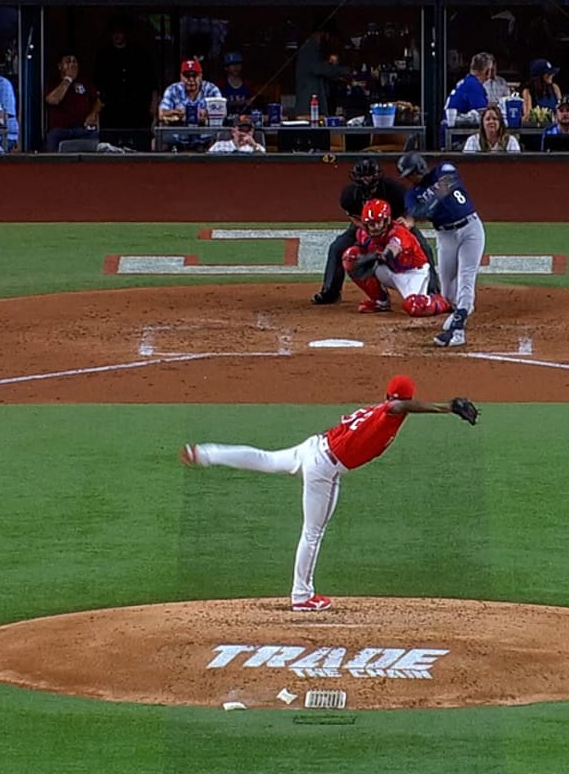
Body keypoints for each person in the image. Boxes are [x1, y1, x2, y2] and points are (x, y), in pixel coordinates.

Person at [179, 375, 478, 612]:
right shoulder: (390, 411)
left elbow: (392, 407)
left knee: (267, 459)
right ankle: (301, 595)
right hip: (324, 467)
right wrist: (446, 407)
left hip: (314, 449)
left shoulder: (377, 409)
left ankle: (206, 454)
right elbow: (398, 407)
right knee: (312, 532)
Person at [312, 158, 438, 306]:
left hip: (396, 224)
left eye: (370, 175)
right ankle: (330, 292)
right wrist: (365, 228)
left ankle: (433, 290)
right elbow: (353, 216)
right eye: (364, 176)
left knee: (424, 247)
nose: (367, 179)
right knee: (337, 247)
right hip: (364, 226)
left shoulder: (393, 189)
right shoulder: (349, 194)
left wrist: (409, 221)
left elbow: (413, 206)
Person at [399, 152, 485, 347]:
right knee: (446, 290)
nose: (409, 178)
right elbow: (418, 212)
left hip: (470, 228)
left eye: (411, 173)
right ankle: (463, 308)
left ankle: (457, 331)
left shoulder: (444, 168)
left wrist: (429, 203)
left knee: (466, 277)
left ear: (420, 168)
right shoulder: (412, 195)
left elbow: (448, 183)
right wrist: (433, 199)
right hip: (445, 236)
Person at [342, 198, 452, 316]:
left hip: (412, 273)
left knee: (415, 307)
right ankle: (380, 301)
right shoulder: (362, 234)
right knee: (351, 257)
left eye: (379, 222)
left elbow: (393, 249)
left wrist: (379, 255)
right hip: (388, 269)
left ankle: (442, 302)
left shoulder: (399, 233)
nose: (376, 227)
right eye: (371, 224)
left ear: (388, 220)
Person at [93, 16, 159, 140]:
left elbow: (152, 82)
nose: (117, 36)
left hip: (137, 106)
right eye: (114, 33)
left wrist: (153, 105)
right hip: (111, 107)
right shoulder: (104, 55)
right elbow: (97, 84)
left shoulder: (139, 53)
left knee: (139, 140)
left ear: (126, 33)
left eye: (120, 32)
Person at [44, 53, 101, 152]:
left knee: (94, 139)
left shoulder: (85, 82)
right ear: (60, 66)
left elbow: (98, 102)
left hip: (82, 129)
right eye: (68, 62)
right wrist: (68, 79)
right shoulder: (53, 82)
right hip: (60, 130)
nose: (72, 65)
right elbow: (53, 100)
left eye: (74, 62)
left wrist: (93, 114)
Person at [294, 19, 350, 118]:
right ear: (324, 34)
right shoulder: (309, 48)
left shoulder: (312, 49)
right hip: (308, 105)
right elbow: (319, 69)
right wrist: (343, 70)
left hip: (313, 104)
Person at [158, 58, 223, 123]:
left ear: (201, 76)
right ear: (181, 77)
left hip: (206, 132)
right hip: (179, 131)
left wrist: (206, 113)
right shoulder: (172, 90)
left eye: (194, 75)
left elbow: (222, 113)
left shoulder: (211, 89)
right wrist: (178, 112)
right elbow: (161, 114)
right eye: (187, 76)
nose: (191, 79)